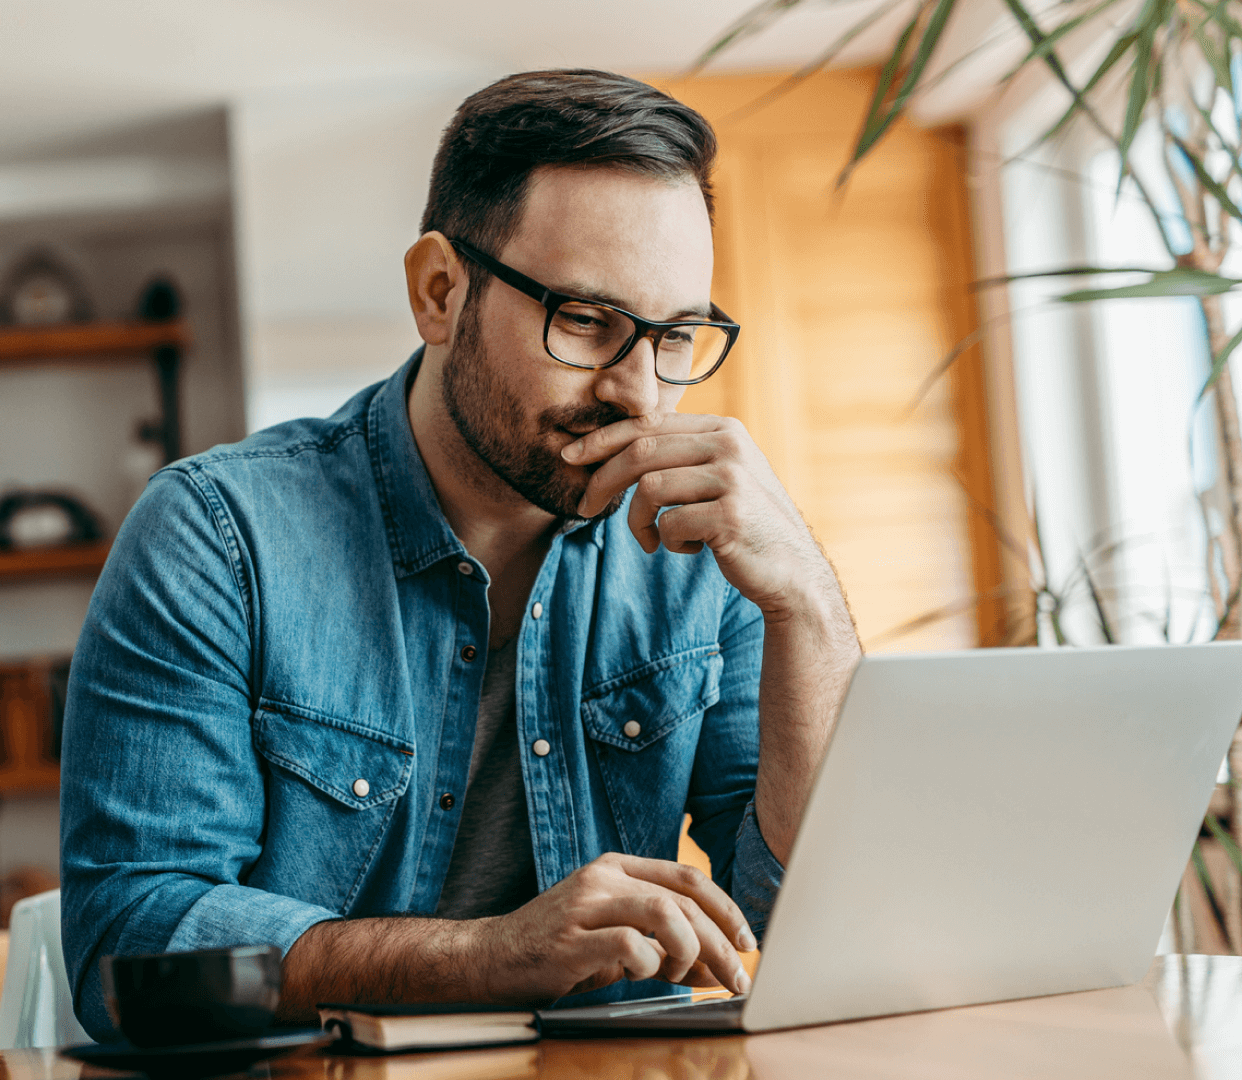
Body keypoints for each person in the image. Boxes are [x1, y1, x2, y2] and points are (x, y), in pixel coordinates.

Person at [60, 69, 861, 1039]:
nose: (641, 392)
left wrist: (805, 606)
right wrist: (491, 957)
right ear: (440, 292)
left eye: (677, 335)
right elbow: (128, 948)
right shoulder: (217, 534)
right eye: (586, 322)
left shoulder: (706, 547)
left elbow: (813, 913)